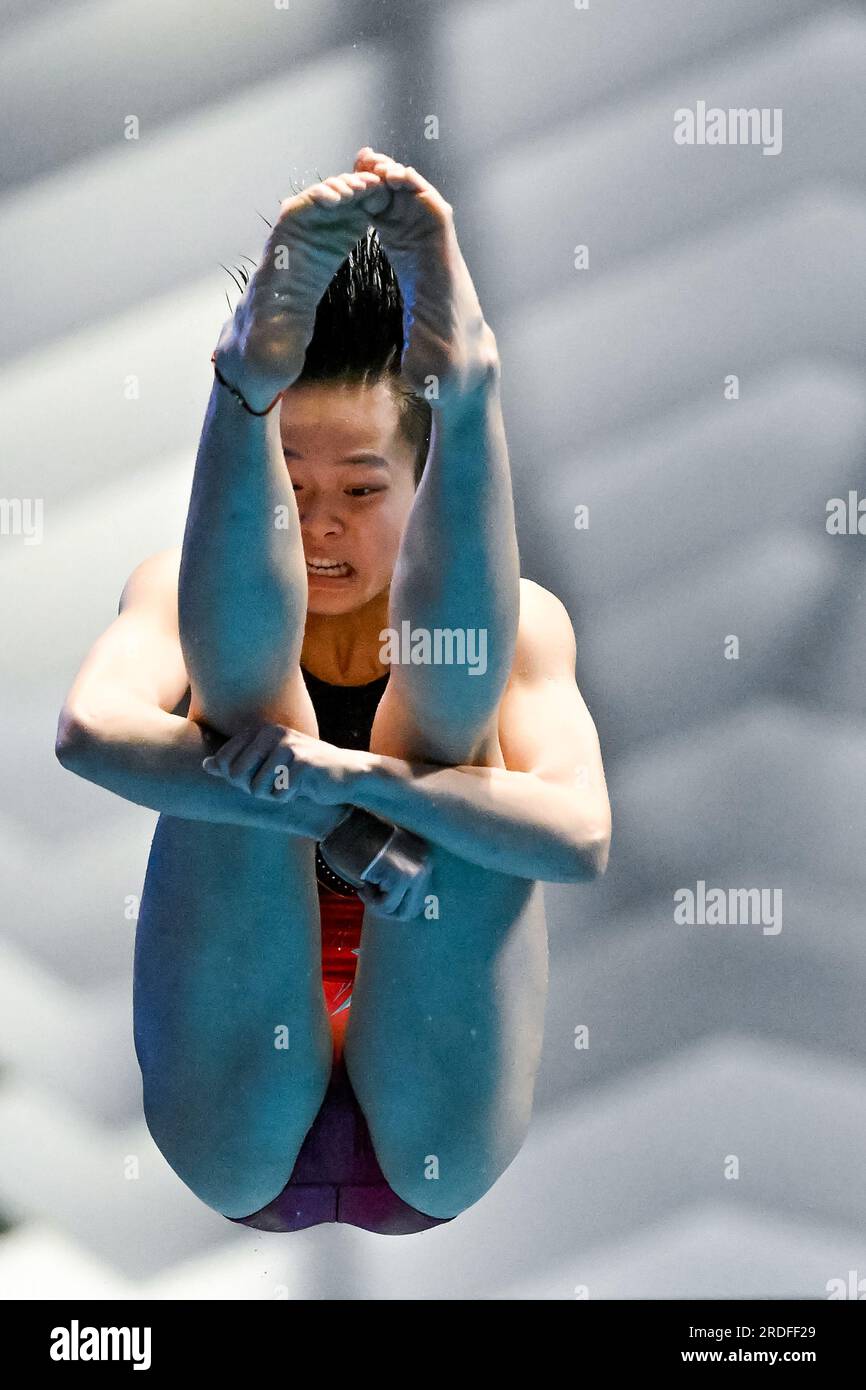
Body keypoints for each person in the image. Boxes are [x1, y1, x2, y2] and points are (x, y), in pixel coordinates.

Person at [55, 147, 612, 1236]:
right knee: (249, 715)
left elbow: (579, 834)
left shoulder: (526, 624)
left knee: (451, 737)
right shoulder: (180, 594)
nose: (318, 525)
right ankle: (240, 388)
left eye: (360, 488)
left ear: (416, 477)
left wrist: (361, 781)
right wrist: (303, 794)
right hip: (237, 1106)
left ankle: (472, 386)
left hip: (435, 1116)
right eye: (291, 484)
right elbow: (89, 733)